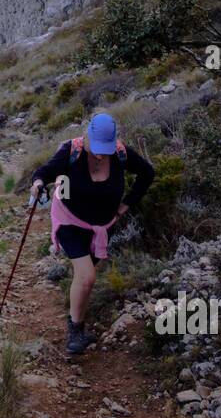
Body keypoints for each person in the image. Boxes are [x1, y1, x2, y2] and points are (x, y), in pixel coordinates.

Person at [30, 112, 155, 354]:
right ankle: (75, 331)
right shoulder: (71, 150)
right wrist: (37, 184)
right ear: (87, 136)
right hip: (70, 222)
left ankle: (78, 320)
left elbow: (147, 173)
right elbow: (44, 171)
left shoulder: (120, 153)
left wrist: (125, 205)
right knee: (87, 277)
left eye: (106, 148)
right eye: (98, 147)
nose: (101, 153)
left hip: (101, 228)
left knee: (84, 279)